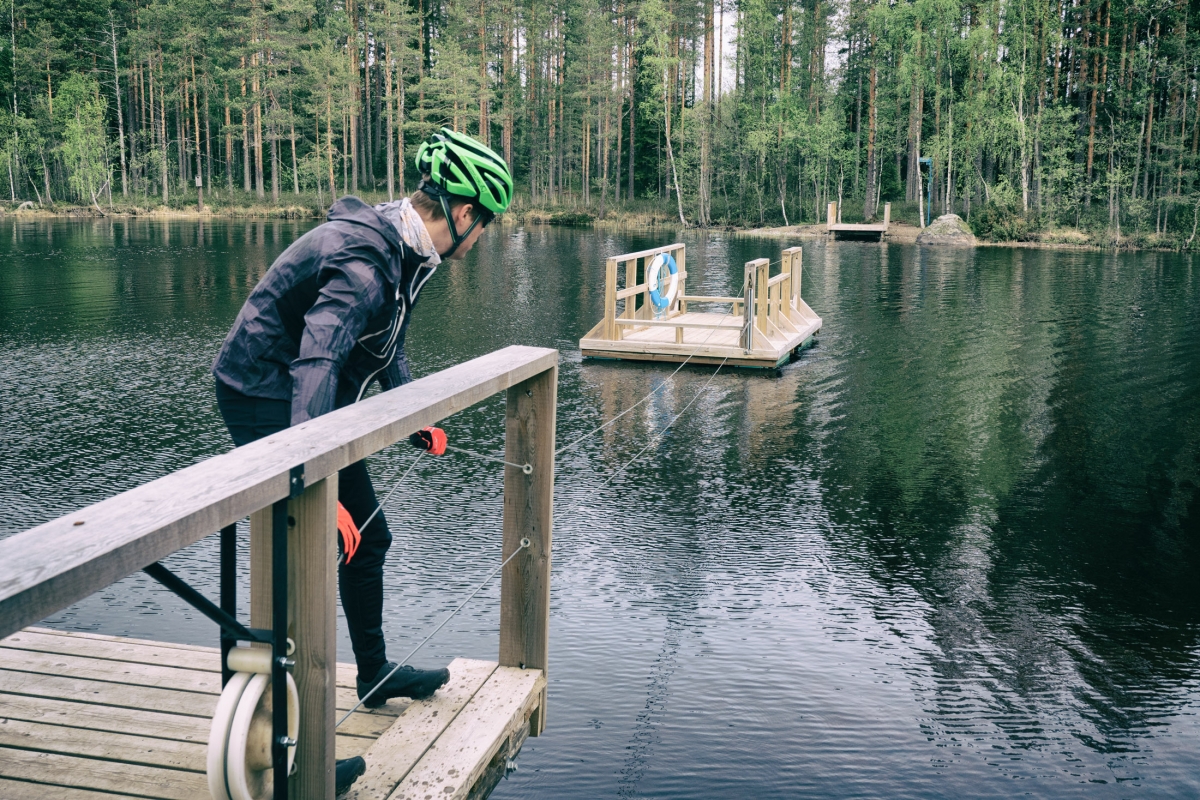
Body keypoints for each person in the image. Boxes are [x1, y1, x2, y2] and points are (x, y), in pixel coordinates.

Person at [211, 128, 513, 791]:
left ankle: (372, 674)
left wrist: (410, 414)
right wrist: (309, 487)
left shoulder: (404, 252)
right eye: (485, 223)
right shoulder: (364, 264)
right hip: (267, 394)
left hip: (311, 400)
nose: (483, 236)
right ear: (462, 214)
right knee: (309, 558)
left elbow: (384, 343)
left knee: (367, 536)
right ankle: (292, 766)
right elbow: (316, 360)